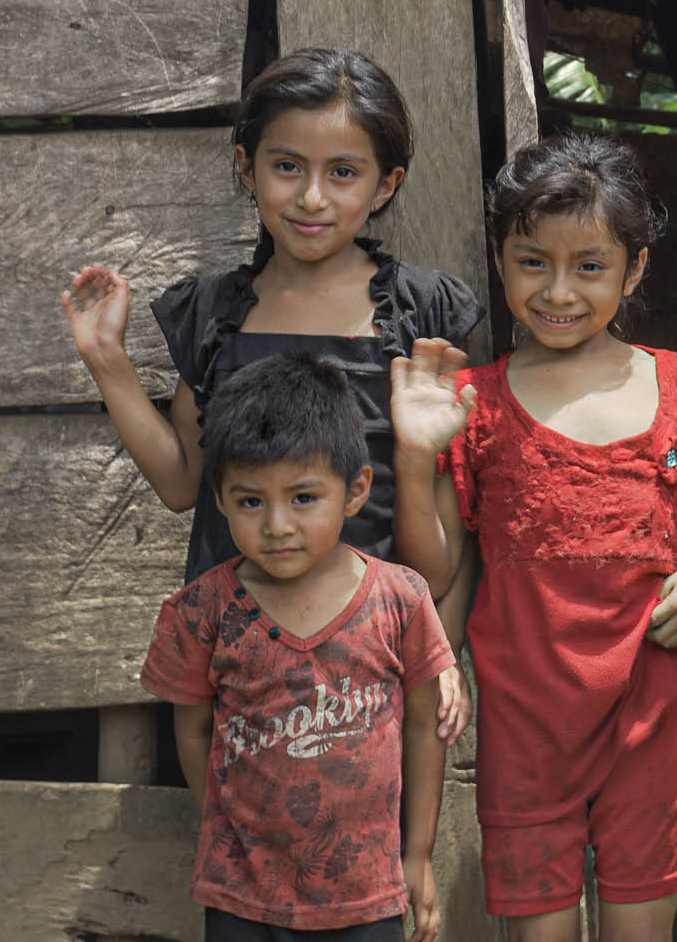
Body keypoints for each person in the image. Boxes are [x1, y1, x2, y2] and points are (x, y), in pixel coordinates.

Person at [388, 133, 677, 942]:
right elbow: (441, 569)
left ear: (634, 269)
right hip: (526, 736)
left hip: (651, 726)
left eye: (589, 266)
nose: (558, 291)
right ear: (500, 258)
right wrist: (417, 456)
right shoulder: (475, 404)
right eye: (533, 262)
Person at [60, 47, 482, 737]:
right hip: (243, 658)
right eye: (287, 166)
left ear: (385, 184)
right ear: (245, 167)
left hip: (370, 665)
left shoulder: (419, 316)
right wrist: (108, 360)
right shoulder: (218, 314)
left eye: (343, 172)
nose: (312, 196)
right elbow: (182, 482)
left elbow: (440, 558)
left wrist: (438, 648)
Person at [139, 351, 453, 942]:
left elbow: (422, 726)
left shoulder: (401, 600)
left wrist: (420, 855)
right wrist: (226, 825)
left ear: (355, 490)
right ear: (223, 499)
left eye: (303, 498)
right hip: (242, 895)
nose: (277, 525)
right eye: (251, 501)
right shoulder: (205, 612)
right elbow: (193, 730)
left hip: (365, 895)